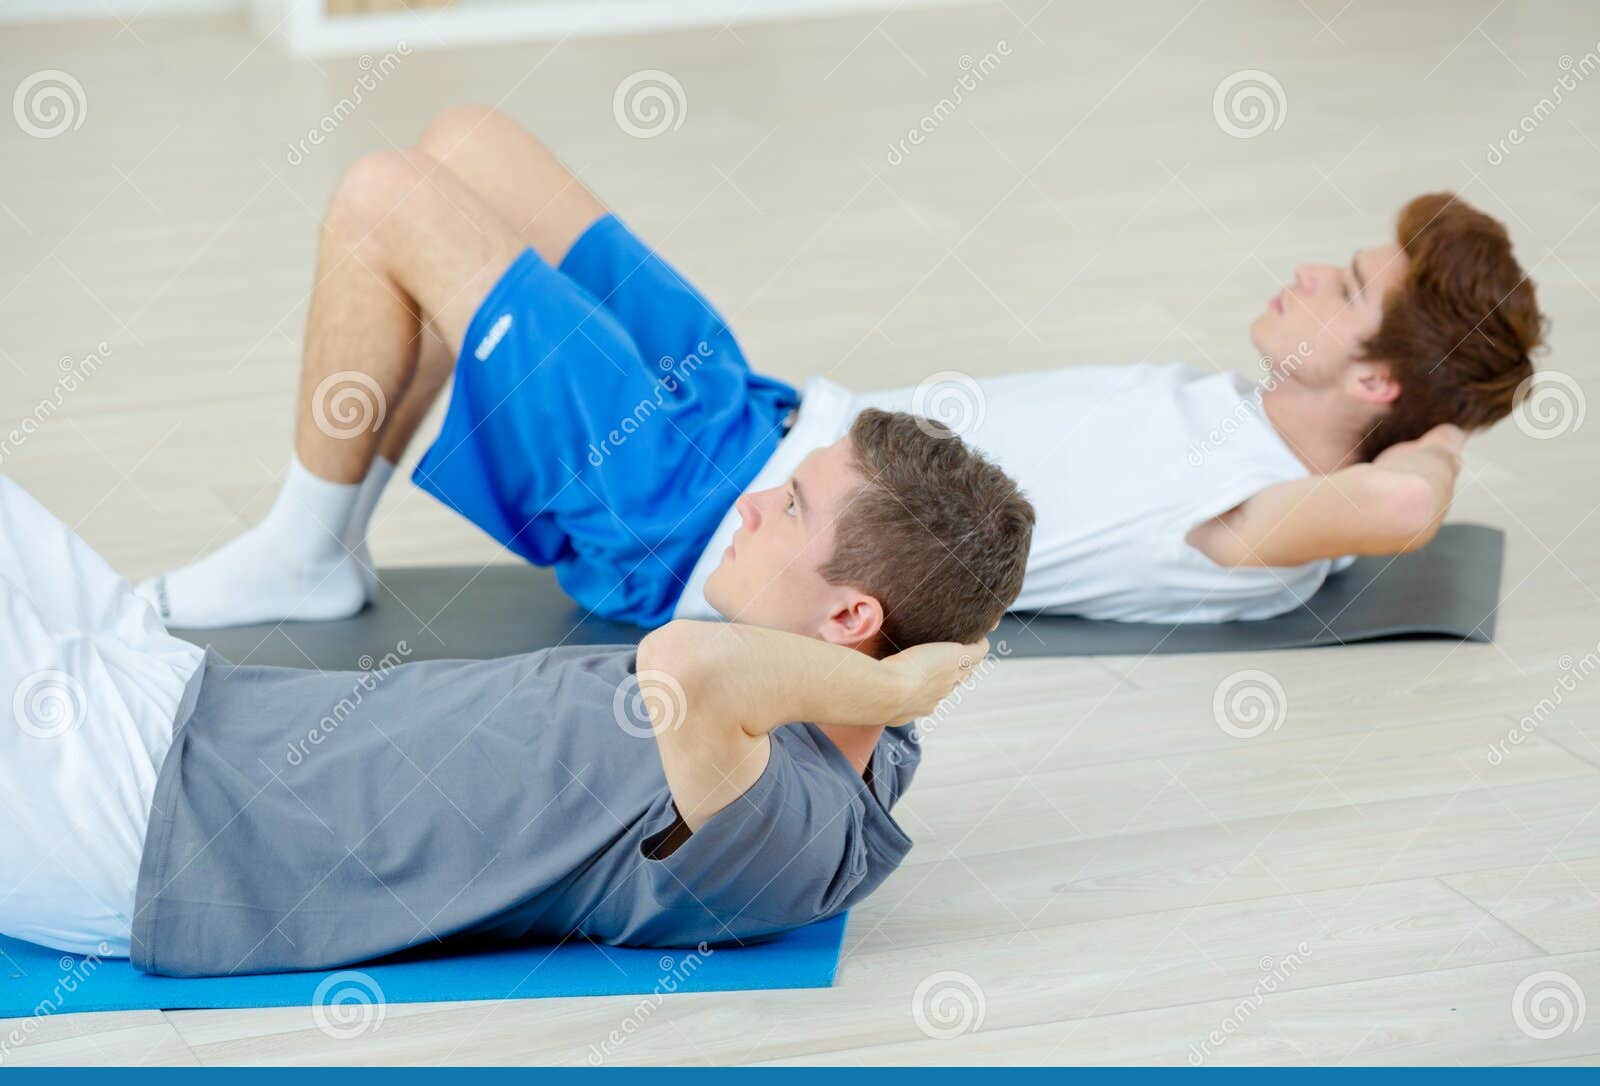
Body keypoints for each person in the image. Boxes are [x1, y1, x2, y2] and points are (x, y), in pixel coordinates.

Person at [135, 107, 1544, 631]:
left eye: (1348, 291)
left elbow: (1408, 511)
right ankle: (324, 533)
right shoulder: (1240, 412)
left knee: (386, 194)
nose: (1310, 273)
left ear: (1372, 387)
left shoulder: (1261, 519)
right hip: (754, 414)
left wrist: (1440, 432)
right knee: (464, 147)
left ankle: (304, 551)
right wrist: (1444, 399)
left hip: (704, 516)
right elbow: (1407, 460)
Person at [0, 392, 1033, 973]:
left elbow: (684, 665)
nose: (755, 502)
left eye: (796, 507)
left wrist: (898, 688)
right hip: (185, 696)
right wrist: (897, 680)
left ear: (851, 620)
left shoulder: (801, 826)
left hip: (147, 818)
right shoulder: (847, 736)